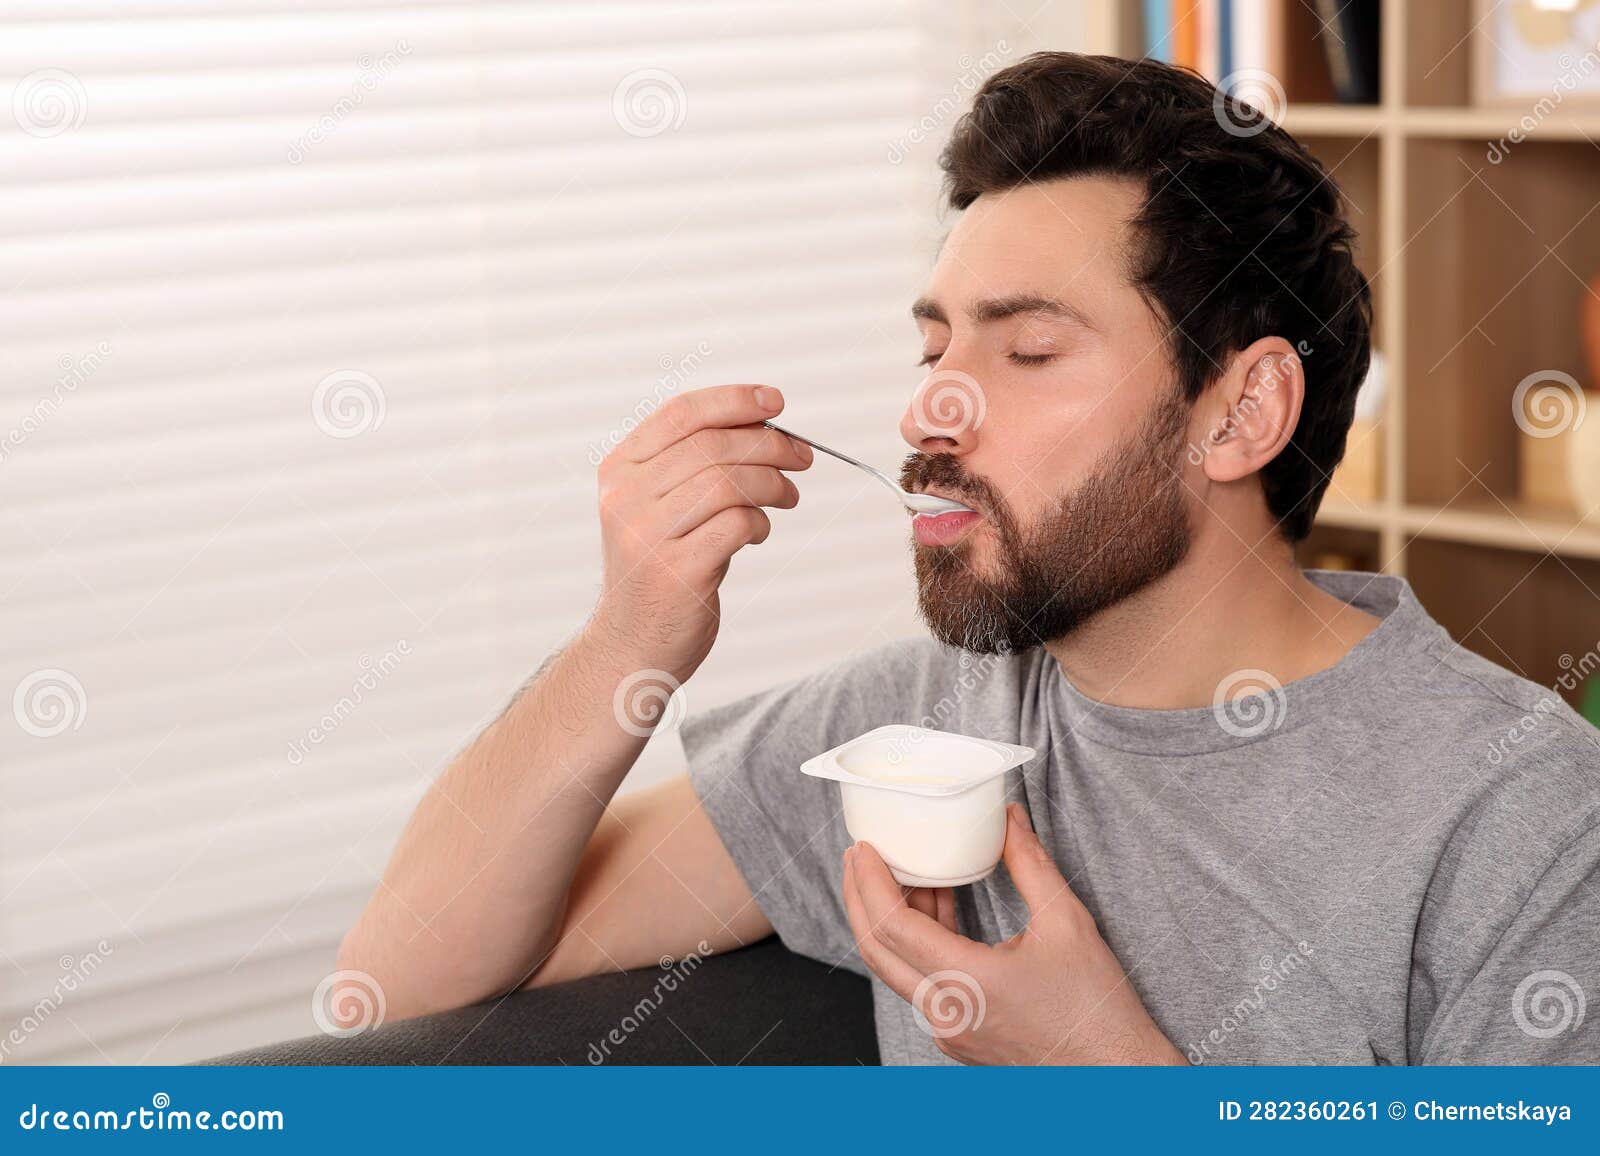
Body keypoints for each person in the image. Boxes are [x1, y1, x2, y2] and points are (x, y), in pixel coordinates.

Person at [336, 53, 1600, 1065]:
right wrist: (630, 639)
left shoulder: (1523, 813)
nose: (928, 410)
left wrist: (1098, 1072)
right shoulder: (915, 737)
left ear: (1239, 413)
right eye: (934, 348)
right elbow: (399, 983)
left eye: (1026, 350)